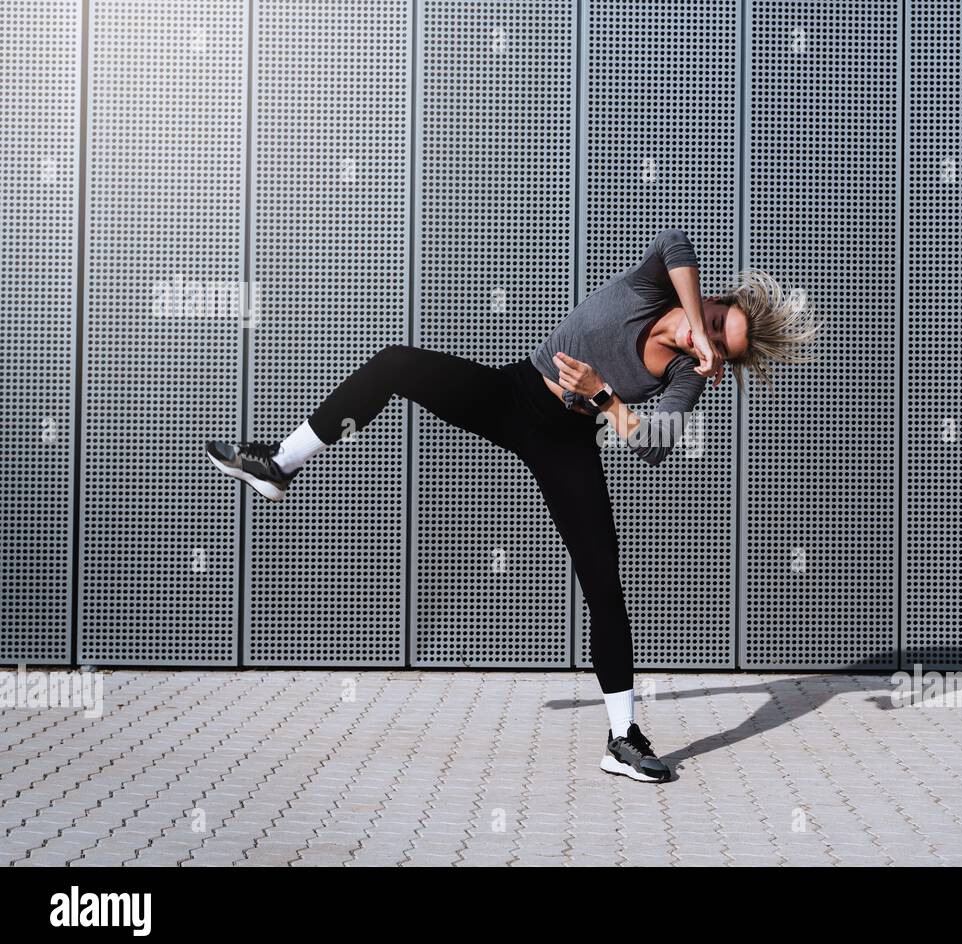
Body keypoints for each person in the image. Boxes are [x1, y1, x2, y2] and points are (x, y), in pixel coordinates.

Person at [207, 228, 818, 782]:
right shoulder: (650, 286)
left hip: (566, 440)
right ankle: (279, 463)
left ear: (718, 367)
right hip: (512, 393)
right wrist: (689, 322)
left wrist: (602, 395)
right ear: (709, 302)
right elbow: (677, 242)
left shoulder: (684, 374)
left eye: (717, 345)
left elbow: (653, 447)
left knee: (604, 583)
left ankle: (622, 737)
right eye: (712, 322)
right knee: (394, 364)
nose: (701, 335)